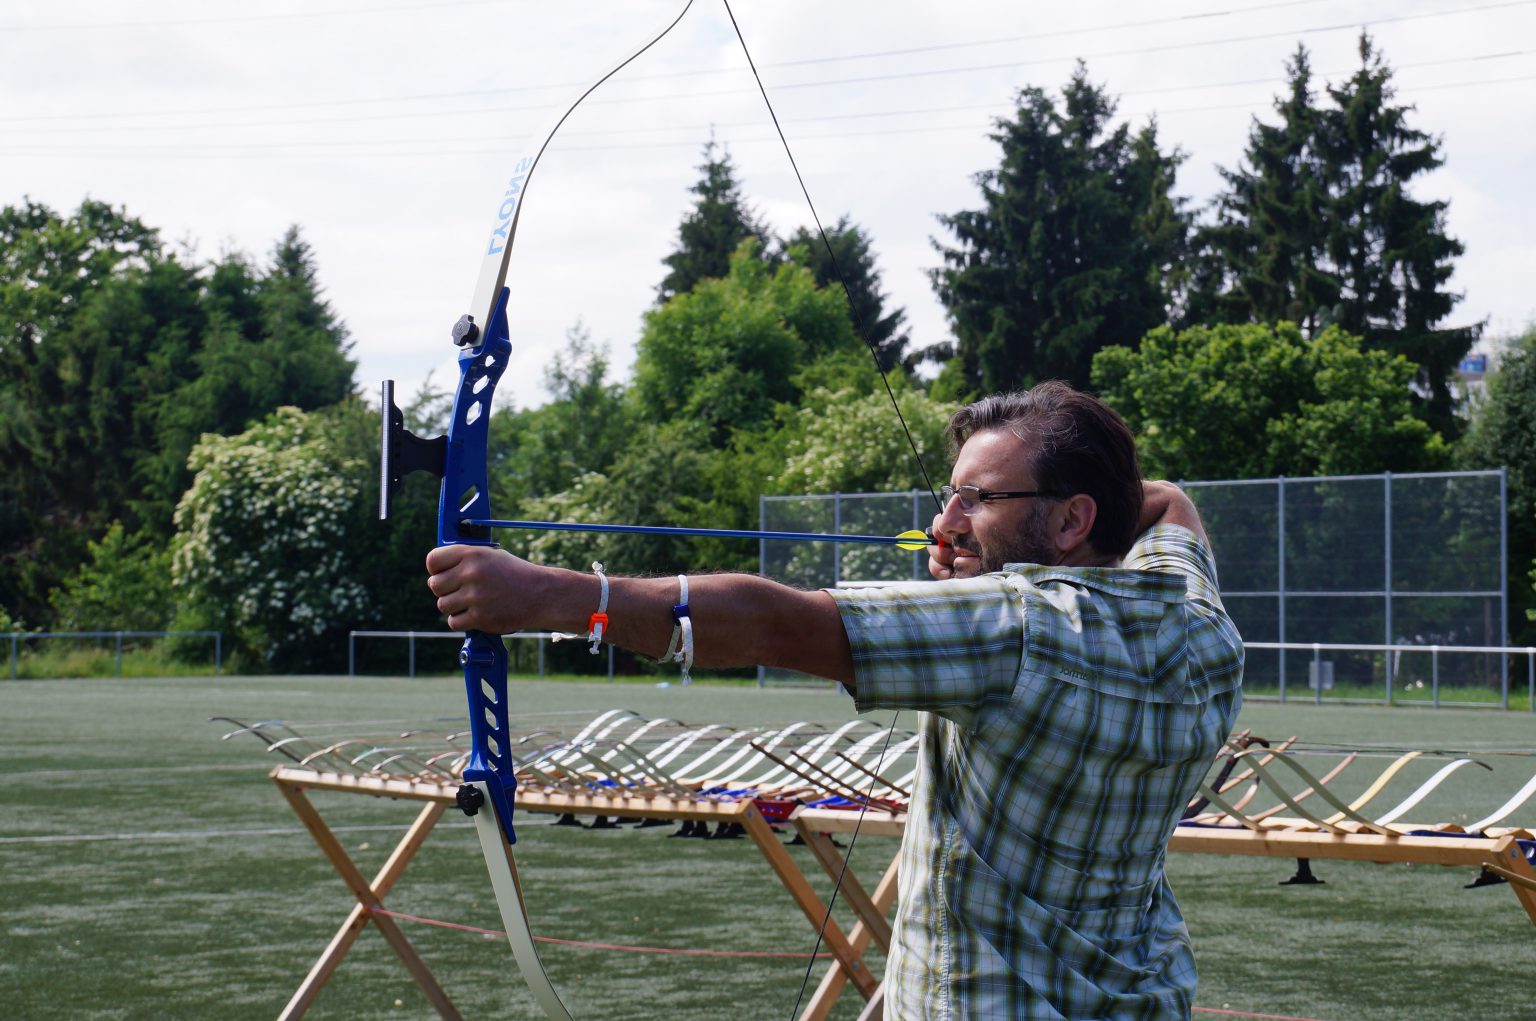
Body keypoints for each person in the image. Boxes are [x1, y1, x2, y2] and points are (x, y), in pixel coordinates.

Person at [425, 381, 1244, 1020]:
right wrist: (1001, 534)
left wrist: (554, 595)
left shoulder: (1013, 624)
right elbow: (1165, 499)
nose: (945, 520)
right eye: (952, 494)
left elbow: (774, 623)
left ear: (1073, 519)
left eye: (980, 499)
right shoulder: (1194, 614)